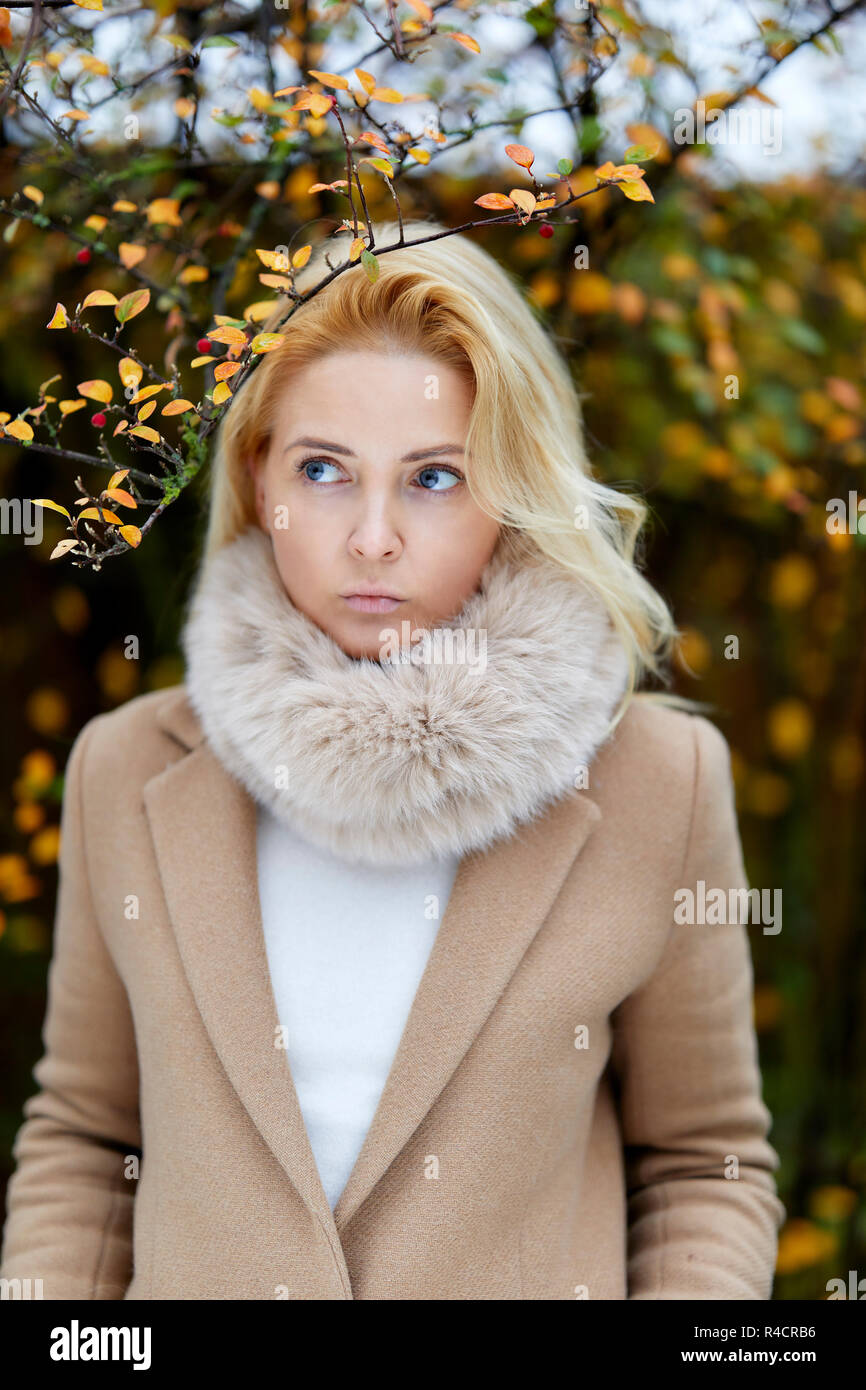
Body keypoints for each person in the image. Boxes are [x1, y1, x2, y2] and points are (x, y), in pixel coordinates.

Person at [0, 217, 785, 1299]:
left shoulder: (660, 778)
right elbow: (86, 1138)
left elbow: (705, 1161)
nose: (372, 537)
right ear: (258, 475)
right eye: (324, 469)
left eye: (432, 478)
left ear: (513, 489)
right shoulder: (126, 769)